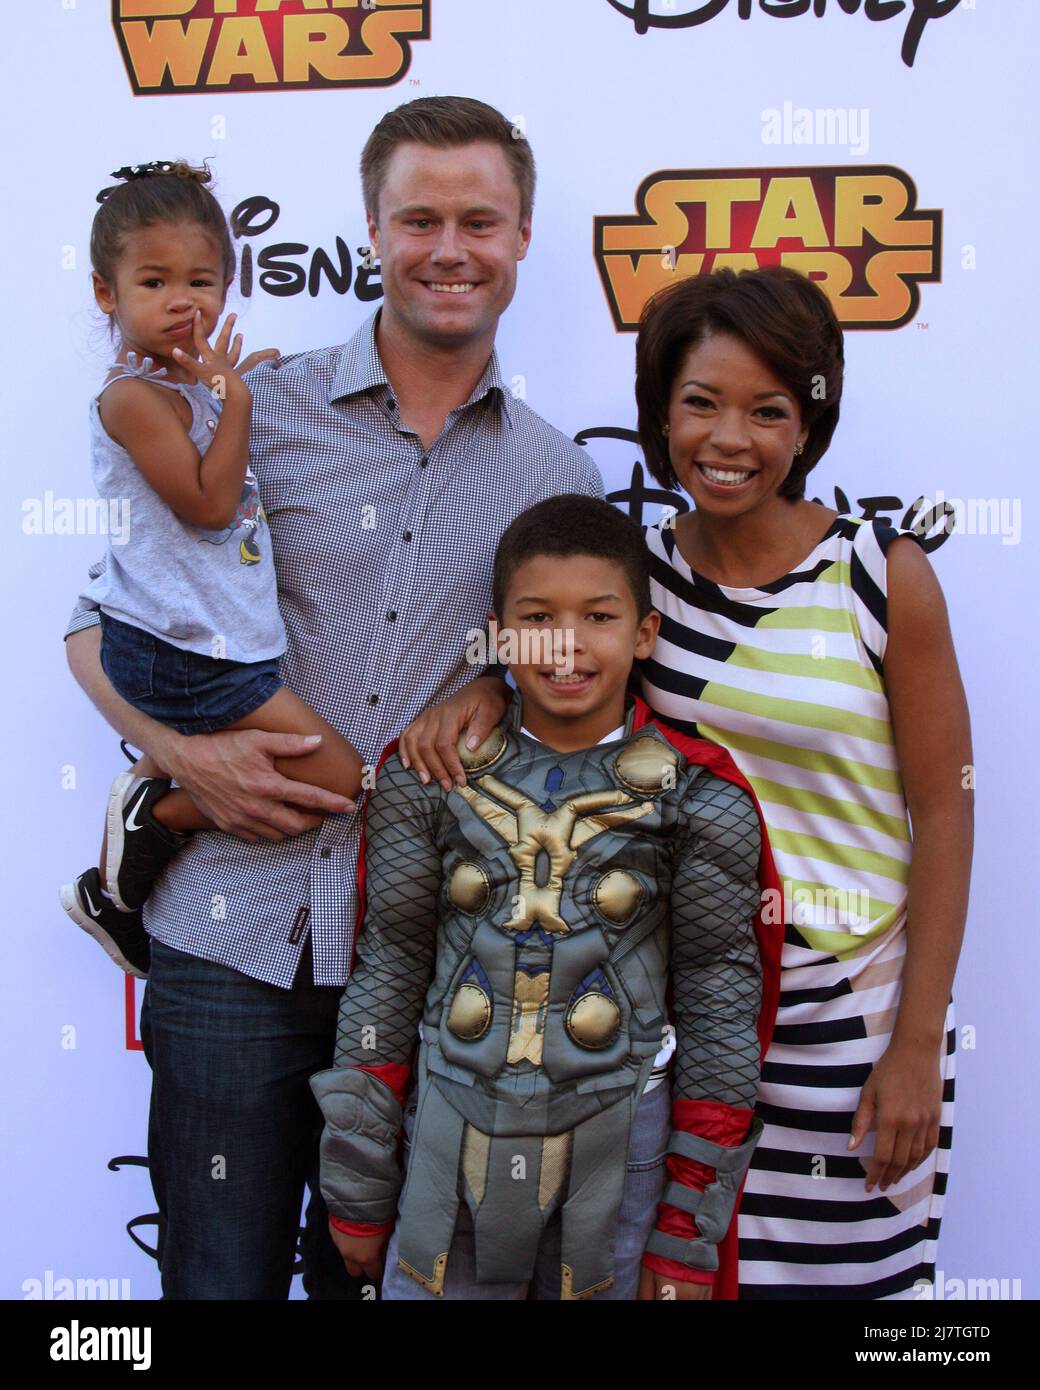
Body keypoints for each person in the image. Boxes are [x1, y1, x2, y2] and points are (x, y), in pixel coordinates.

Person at [62, 98, 603, 1300]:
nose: (448, 247)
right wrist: (181, 761)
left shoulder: (557, 474)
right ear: (371, 228)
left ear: (522, 237)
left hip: (430, 964)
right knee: (217, 1282)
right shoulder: (249, 412)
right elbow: (94, 629)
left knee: (399, 1290)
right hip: (229, 939)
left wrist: (485, 686)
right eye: (419, 218)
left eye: (478, 219)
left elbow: (570, 676)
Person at [396, 265, 973, 1300]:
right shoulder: (638, 577)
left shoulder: (878, 574)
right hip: (676, 1033)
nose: (727, 438)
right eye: (698, 403)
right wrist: (484, 690)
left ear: (808, 422)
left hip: (847, 1016)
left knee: (861, 1298)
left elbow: (943, 809)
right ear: (657, 416)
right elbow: (555, 662)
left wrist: (916, 1047)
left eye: (766, 409)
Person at [313, 495, 782, 1300]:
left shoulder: (703, 797)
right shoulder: (425, 778)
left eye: (599, 616)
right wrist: (356, 1178)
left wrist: (686, 1233)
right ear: (499, 637)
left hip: (624, 1139)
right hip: (445, 1131)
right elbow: (387, 969)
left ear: (644, 633)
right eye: (538, 619)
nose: (566, 645)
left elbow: (720, 1006)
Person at [60, 160, 363, 981]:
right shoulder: (131, 399)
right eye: (154, 281)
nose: (183, 301)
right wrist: (238, 405)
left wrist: (232, 386)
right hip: (187, 653)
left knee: (303, 780)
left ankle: (117, 885)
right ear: (105, 293)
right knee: (339, 777)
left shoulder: (187, 388)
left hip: (214, 644)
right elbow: (209, 505)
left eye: (202, 280)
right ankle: (155, 815)